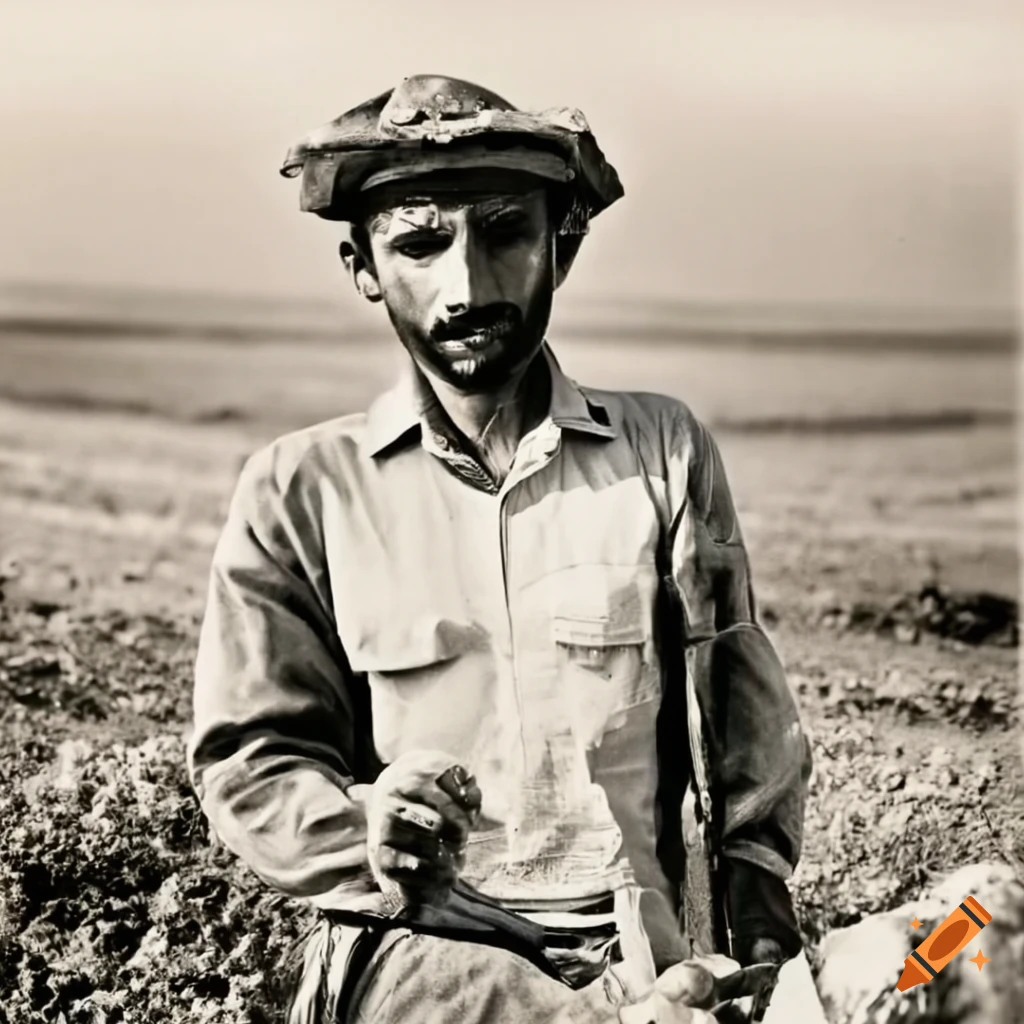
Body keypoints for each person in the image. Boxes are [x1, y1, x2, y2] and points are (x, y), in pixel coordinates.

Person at [187, 75, 813, 1023]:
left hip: (644, 958)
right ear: (362, 267)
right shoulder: (299, 488)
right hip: (422, 957)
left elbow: (742, 744)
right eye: (420, 243)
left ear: (563, 244)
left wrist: (764, 957)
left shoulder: (664, 452)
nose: (469, 287)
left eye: (507, 232)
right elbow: (252, 761)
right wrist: (369, 830)